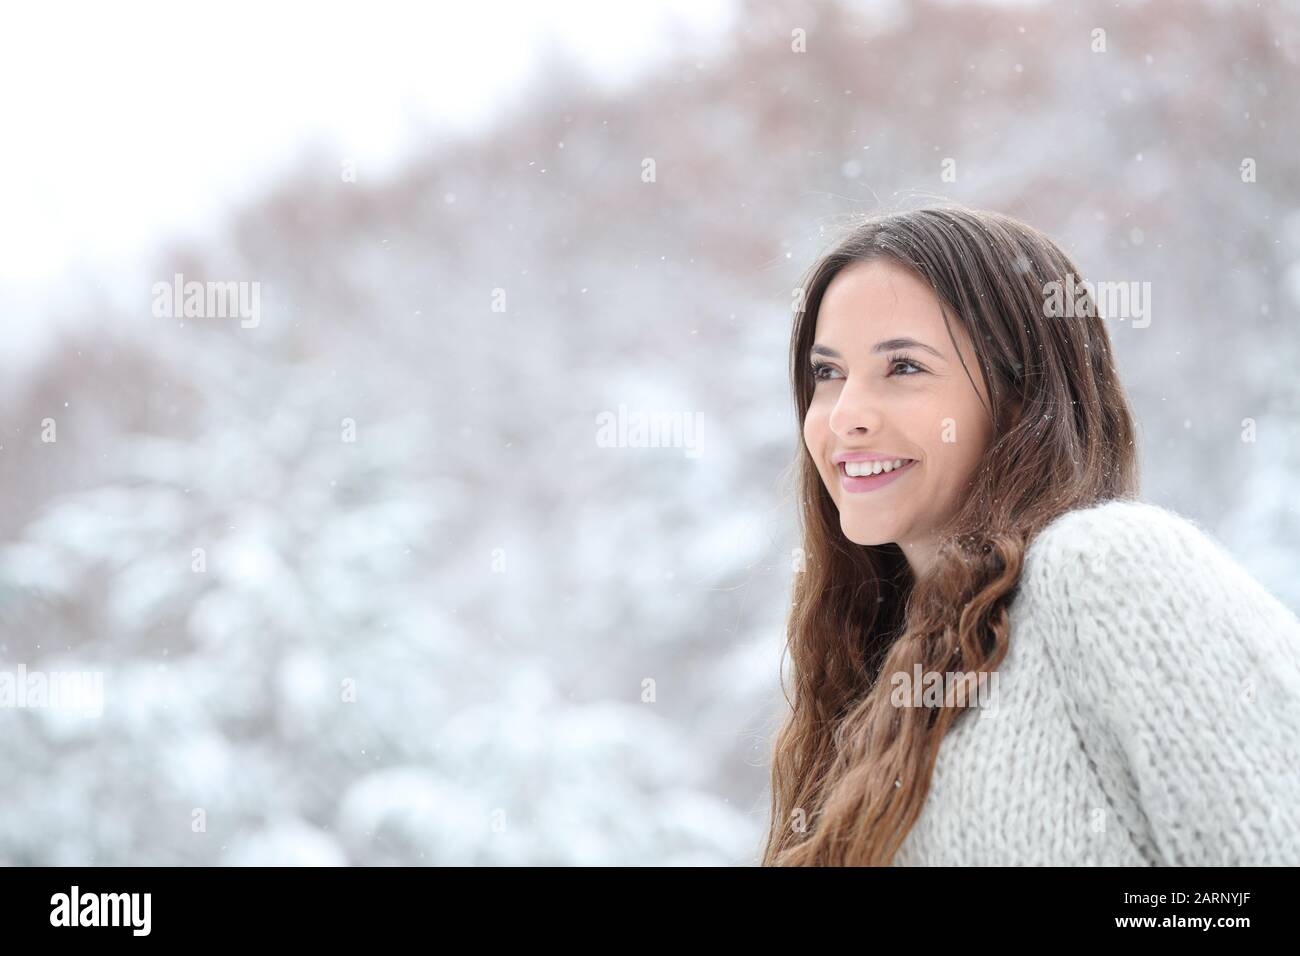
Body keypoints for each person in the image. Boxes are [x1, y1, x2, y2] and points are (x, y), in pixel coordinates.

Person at [762, 204, 1300, 866]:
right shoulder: (863, 673)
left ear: (1023, 399)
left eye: (903, 367)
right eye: (828, 373)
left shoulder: (1108, 568)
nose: (845, 416)